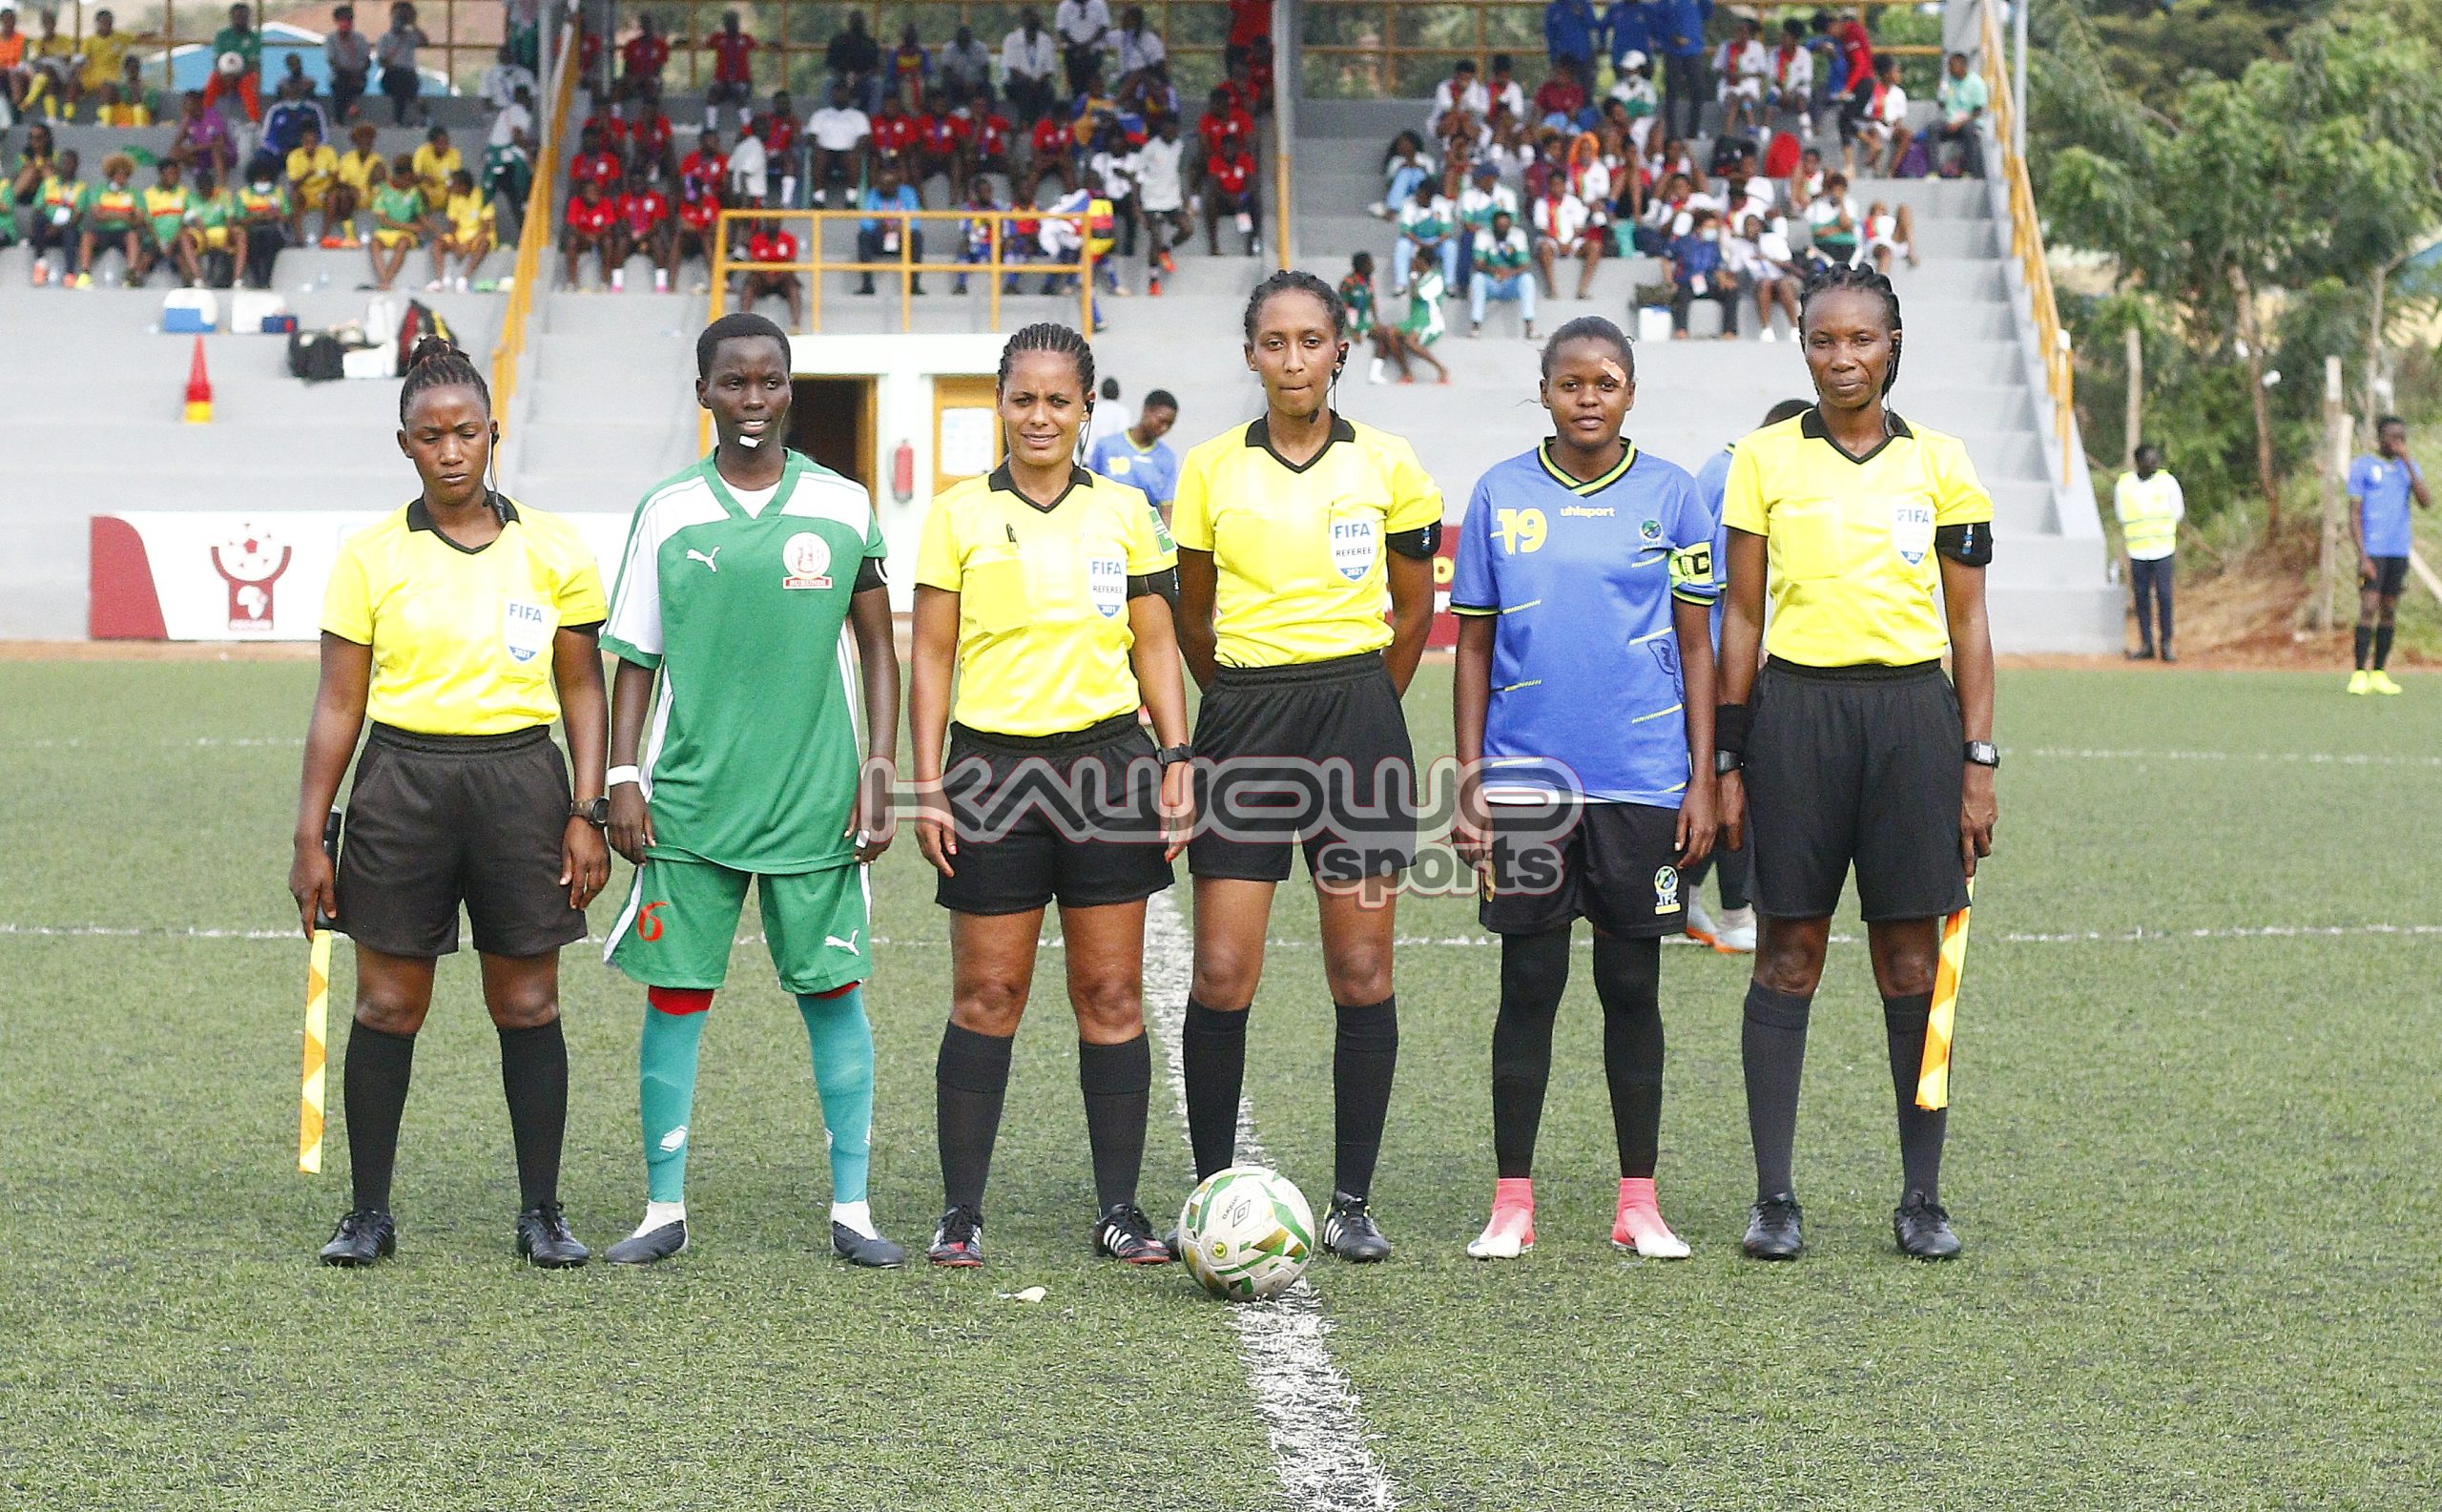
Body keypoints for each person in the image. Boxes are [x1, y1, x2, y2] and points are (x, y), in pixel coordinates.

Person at [290, 337, 610, 1270]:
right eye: (430, 436)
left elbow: (583, 688)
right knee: (388, 1002)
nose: (451, 450)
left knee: (529, 1001)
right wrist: (310, 835)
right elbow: (339, 703)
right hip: (401, 788)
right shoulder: (369, 556)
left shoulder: (554, 547)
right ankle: (367, 1213)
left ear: (493, 433)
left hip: (521, 785)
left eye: (466, 431)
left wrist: (586, 806)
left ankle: (542, 1212)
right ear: (405, 446)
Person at [597, 312, 903, 1269]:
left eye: (769, 382)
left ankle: (851, 1207)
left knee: (832, 993)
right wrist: (620, 777)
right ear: (703, 394)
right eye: (732, 382)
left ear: (790, 391)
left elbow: (880, 647)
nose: (752, 400)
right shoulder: (668, 512)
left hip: (816, 800)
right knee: (677, 996)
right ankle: (661, 1208)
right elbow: (635, 660)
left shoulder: (843, 505)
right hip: (689, 804)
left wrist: (880, 771)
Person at [1715, 264, 1997, 1263]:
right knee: (1786, 950)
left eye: (1860, 340)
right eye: (1823, 340)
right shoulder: (1760, 460)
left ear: (1893, 346)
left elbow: (1969, 625)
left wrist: (1977, 759)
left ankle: (1921, 1196)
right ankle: (1774, 1199)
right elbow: (1741, 616)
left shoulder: (1945, 464)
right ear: (1803, 347)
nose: (1842, 358)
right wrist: (1729, 755)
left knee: (1911, 961)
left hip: (1911, 722)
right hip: (1797, 715)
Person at [1170, 269, 1444, 1262]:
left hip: (1357, 719)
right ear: (1251, 355)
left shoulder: (1391, 463)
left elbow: (1412, 615)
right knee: (1222, 970)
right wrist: (1242, 695)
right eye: (1274, 342)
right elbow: (1192, 616)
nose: (1293, 359)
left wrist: (1364, 701)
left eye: (1310, 340)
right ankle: (1209, 1195)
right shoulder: (1207, 469)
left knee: (1361, 969)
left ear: (1340, 349)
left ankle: (1352, 1200)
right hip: (1243, 717)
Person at [909, 322, 1191, 1269]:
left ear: (1084, 409)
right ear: (1000, 402)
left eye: (1058, 401)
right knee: (988, 992)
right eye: (1023, 398)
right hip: (990, 769)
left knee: (1109, 992)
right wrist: (925, 781)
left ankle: (1120, 1208)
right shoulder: (955, 515)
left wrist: (1178, 752)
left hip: (1110, 766)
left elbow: (1155, 642)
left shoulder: (1125, 511)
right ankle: (960, 1211)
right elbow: (932, 655)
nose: (1039, 416)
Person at [1451, 317, 1717, 1261]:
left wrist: (1702, 778)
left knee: (1630, 983)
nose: (1588, 396)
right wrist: (1471, 778)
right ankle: (1510, 1201)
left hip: (1643, 779)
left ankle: (1637, 1202)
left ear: (1630, 391)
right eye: (1571, 383)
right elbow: (1472, 646)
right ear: (1546, 391)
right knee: (1528, 980)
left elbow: (1697, 644)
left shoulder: (1673, 495)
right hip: (1527, 781)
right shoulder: (1499, 493)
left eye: (1606, 381)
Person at [1686, 398, 1811, 955]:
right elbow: (1723, 581)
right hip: (1724, 661)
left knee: (1724, 781)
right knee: (1733, 781)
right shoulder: (1738, 470)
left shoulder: (1724, 466)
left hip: (1724, 656)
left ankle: (1687, 894)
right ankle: (1734, 912)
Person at [2347, 418, 2430, 695]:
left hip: (2398, 550)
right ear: (2380, 438)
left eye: (2401, 438)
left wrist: (2408, 464)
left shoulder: (2408, 468)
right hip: (2374, 550)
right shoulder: (2363, 467)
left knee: (2389, 609)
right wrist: (2363, 555)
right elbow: (2354, 514)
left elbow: (2426, 502)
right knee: (2369, 606)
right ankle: (2359, 673)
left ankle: (2380, 672)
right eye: (2392, 437)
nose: (2397, 443)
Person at [2111, 443, 2183, 663]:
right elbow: (2121, 514)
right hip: (2138, 551)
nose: (2154, 463)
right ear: (2138, 462)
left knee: (2164, 596)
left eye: (2155, 459)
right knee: (2141, 599)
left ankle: (2166, 643)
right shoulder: (2125, 485)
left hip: (2163, 550)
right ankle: (2146, 644)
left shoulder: (2167, 482)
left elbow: (2177, 511)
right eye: (2149, 459)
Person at [1087, 386, 1181, 512]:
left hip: (1144, 527)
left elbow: (1166, 506)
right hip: (1105, 523)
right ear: (1146, 410)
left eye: (1169, 424)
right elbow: (1088, 490)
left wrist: (1165, 532)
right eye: (1161, 421)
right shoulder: (1106, 446)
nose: (1164, 428)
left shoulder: (1167, 458)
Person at [855, 162, 924, 297]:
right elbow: (865, 221)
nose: (886, 188)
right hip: (880, 236)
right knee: (863, 236)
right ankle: (867, 285)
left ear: (897, 184)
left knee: (916, 236)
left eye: (890, 184)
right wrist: (879, 226)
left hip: (901, 239)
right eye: (883, 184)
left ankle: (914, 285)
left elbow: (915, 221)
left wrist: (901, 228)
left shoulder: (908, 192)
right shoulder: (873, 193)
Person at [1469, 206, 1537, 339]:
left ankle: (1530, 327)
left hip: (1510, 282)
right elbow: (1478, 263)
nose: (1502, 229)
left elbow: (1525, 264)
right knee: (1477, 278)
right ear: (1493, 225)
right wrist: (1494, 271)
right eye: (1499, 226)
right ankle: (1475, 325)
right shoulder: (1483, 234)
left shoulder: (1518, 235)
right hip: (1491, 282)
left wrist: (1508, 273)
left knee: (1527, 279)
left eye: (1505, 226)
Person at [1135, 112, 1184, 291]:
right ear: (1162, 128)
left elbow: (1174, 171)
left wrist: (1183, 199)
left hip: (1171, 199)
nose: (1172, 131)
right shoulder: (1150, 148)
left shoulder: (1179, 145)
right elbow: (1137, 176)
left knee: (1187, 228)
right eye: (1168, 127)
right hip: (1152, 200)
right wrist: (1137, 206)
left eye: (1175, 128)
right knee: (1156, 237)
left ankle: (1166, 249)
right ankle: (1153, 280)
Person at [135, 156, 197, 287]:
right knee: (146, 258)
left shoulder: (184, 193)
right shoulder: (148, 194)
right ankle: (134, 281)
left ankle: (191, 283)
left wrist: (172, 242)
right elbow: (148, 222)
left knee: (181, 259)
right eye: (169, 174)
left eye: (175, 174)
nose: (173, 177)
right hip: (155, 239)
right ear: (161, 174)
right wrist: (159, 242)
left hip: (176, 239)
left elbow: (185, 222)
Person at [804, 82, 868, 207]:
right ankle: (818, 200)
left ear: (849, 96)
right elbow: (811, 136)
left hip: (849, 152)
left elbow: (865, 137)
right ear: (832, 96)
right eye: (837, 94)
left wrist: (856, 149)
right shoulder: (820, 115)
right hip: (825, 152)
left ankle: (851, 200)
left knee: (853, 156)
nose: (840, 97)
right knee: (819, 156)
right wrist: (818, 148)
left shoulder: (858, 116)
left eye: (843, 94)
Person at [428, 167, 492, 291]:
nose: (450, 187)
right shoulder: (454, 197)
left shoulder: (484, 195)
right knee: (437, 243)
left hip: (478, 235)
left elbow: (486, 226)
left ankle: (464, 278)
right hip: (460, 236)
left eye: (454, 184)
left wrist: (468, 244)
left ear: (463, 186)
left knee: (485, 243)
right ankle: (441, 280)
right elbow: (452, 224)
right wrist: (457, 243)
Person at [367, 151, 424, 290]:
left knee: (403, 242)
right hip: (385, 231)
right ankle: (384, 279)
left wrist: (433, 230)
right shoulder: (381, 190)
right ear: (399, 177)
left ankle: (387, 280)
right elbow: (382, 219)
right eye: (407, 180)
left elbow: (421, 219)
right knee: (374, 243)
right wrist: (408, 226)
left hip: (405, 235)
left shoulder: (414, 192)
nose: (409, 183)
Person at [735, 214, 803, 327]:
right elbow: (754, 264)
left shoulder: (789, 239)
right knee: (748, 286)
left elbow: (791, 263)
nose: (772, 224)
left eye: (775, 221)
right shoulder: (757, 240)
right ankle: (743, 324)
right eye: (769, 222)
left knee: (794, 288)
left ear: (780, 222)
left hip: (782, 279)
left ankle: (796, 325)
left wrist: (776, 277)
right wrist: (767, 277)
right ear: (765, 223)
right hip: (762, 278)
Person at [1651, 0, 1706, 140]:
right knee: (1672, 92)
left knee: (1698, 91)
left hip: (1694, 50)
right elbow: (1657, 19)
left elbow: (1707, 12)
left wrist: (1692, 34)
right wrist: (1671, 35)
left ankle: (1693, 132)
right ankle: (1672, 133)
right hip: (1672, 51)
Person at [1928, 52, 1987, 178]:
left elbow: (1977, 111)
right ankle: (1934, 172)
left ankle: (1968, 172)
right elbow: (1942, 104)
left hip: (1968, 122)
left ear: (1962, 66)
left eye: (1952, 65)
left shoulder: (1977, 83)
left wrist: (1960, 123)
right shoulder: (1948, 82)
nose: (1949, 69)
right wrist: (1940, 92)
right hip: (1950, 123)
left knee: (1970, 130)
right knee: (1933, 128)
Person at [235, 154, 289, 288]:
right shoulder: (244, 194)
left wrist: (276, 215)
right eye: (259, 177)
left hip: (274, 229)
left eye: (265, 177)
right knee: (253, 240)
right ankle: (257, 278)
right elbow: (240, 219)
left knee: (270, 238)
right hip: (252, 229)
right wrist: (257, 217)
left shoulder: (278, 192)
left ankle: (267, 278)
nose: (263, 179)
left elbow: (287, 216)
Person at [202, 3, 262, 122]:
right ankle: (204, 118)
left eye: (244, 17)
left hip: (244, 74)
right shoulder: (222, 35)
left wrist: (236, 76)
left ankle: (254, 121)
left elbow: (253, 63)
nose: (241, 20)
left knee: (249, 85)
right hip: (223, 75)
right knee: (212, 81)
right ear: (232, 17)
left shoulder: (253, 37)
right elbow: (217, 59)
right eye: (238, 17)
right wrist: (225, 76)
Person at [700, 10, 755, 133]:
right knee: (713, 91)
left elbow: (759, 44)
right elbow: (703, 43)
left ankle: (748, 128)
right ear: (725, 24)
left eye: (733, 22)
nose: (731, 25)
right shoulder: (718, 38)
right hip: (723, 81)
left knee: (739, 91)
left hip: (742, 81)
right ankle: (711, 127)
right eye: (728, 23)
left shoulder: (745, 38)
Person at [285, 121, 341, 244]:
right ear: (302, 142)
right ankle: (299, 238)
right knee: (294, 196)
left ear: (317, 141)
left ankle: (324, 236)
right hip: (305, 193)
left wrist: (328, 189)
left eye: (313, 141)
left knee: (333, 196)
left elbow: (336, 176)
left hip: (324, 191)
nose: (310, 144)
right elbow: (293, 183)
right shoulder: (294, 156)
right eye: (307, 142)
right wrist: (306, 175)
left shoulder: (328, 152)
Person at [1201, 139, 1258, 257]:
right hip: (1223, 199)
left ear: (1236, 149)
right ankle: (1214, 246)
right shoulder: (1215, 160)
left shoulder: (1245, 159)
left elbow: (1251, 184)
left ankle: (1250, 245)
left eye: (1231, 149)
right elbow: (1213, 186)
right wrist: (1229, 197)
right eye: (1225, 149)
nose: (1228, 152)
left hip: (1242, 198)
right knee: (1210, 202)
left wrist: (1241, 197)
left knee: (1255, 204)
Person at [1002, 9, 1058, 125]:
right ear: (1024, 22)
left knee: (1049, 91)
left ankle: (1041, 124)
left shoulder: (1046, 40)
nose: (1033, 23)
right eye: (1030, 20)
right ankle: (1025, 123)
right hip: (1016, 82)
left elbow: (1049, 70)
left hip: (1040, 82)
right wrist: (1028, 81)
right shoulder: (1011, 39)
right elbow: (1012, 68)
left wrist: (1038, 81)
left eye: (1036, 21)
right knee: (1025, 89)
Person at [377, 2, 429, 126]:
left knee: (406, 82)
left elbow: (425, 42)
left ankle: (402, 119)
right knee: (401, 81)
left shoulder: (411, 37)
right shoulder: (384, 38)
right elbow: (382, 62)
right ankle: (414, 110)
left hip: (409, 76)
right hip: (391, 76)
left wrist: (413, 24)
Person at [561, 172, 614, 290]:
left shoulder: (605, 202)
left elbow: (608, 226)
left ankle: (605, 282)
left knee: (608, 242)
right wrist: (586, 236)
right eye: (590, 192)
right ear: (582, 194)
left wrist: (597, 236)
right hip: (582, 238)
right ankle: (571, 282)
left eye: (596, 191)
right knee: (571, 242)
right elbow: (573, 226)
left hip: (600, 237)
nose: (594, 194)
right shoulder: (575, 202)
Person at [826, 10, 880, 113]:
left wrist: (860, 77)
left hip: (864, 80)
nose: (857, 23)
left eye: (860, 21)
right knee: (829, 82)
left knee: (877, 83)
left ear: (864, 23)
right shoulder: (837, 40)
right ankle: (828, 116)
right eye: (855, 20)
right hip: (841, 79)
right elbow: (831, 65)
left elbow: (875, 67)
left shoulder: (870, 42)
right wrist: (845, 77)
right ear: (849, 22)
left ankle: (874, 120)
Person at [324, 4, 371, 122]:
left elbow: (367, 60)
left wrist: (359, 72)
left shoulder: (360, 38)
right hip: (340, 76)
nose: (346, 23)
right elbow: (332, 61)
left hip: (359, 76)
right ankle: (342, 115)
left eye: (349, 19)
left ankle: (349, 109)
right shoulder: (331, 39)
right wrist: (346, 72)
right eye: (342, 19)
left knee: (353, 84)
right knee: (341, 84)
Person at [1054, 0, 1111, 97]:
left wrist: (1088, 45)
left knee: (1094, 86)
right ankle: (1078, 110)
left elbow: (1103, 27)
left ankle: (1094, 110)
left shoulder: (1099, 4)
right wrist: (1077, 47)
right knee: (1076, 88)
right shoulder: (1064, 5)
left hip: (1094, 53)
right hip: (1073, 54)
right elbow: (1062, 30)